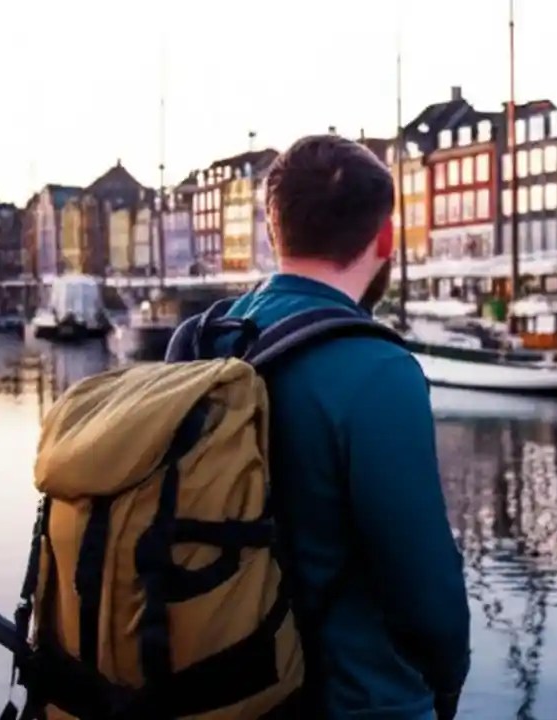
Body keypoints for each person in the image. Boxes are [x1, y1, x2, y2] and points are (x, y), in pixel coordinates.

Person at [189, 135, 471, 719]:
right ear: (386, 238)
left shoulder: (199, 338)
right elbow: (425, 590)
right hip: (355, 701)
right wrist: (445, 682)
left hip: (214, 689)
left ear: (274, 232)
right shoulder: (378, 370)